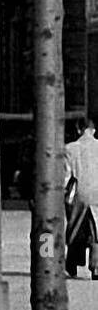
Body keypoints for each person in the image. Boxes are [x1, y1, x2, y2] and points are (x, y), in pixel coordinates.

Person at [65, 118, 98, 279]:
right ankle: (96, 267)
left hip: (79, 194)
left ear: (79, 130)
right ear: (93, 131)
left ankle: (72, 263)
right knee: (96, 232)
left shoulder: (70, 149)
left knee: (76, 228)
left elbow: (66, 176)